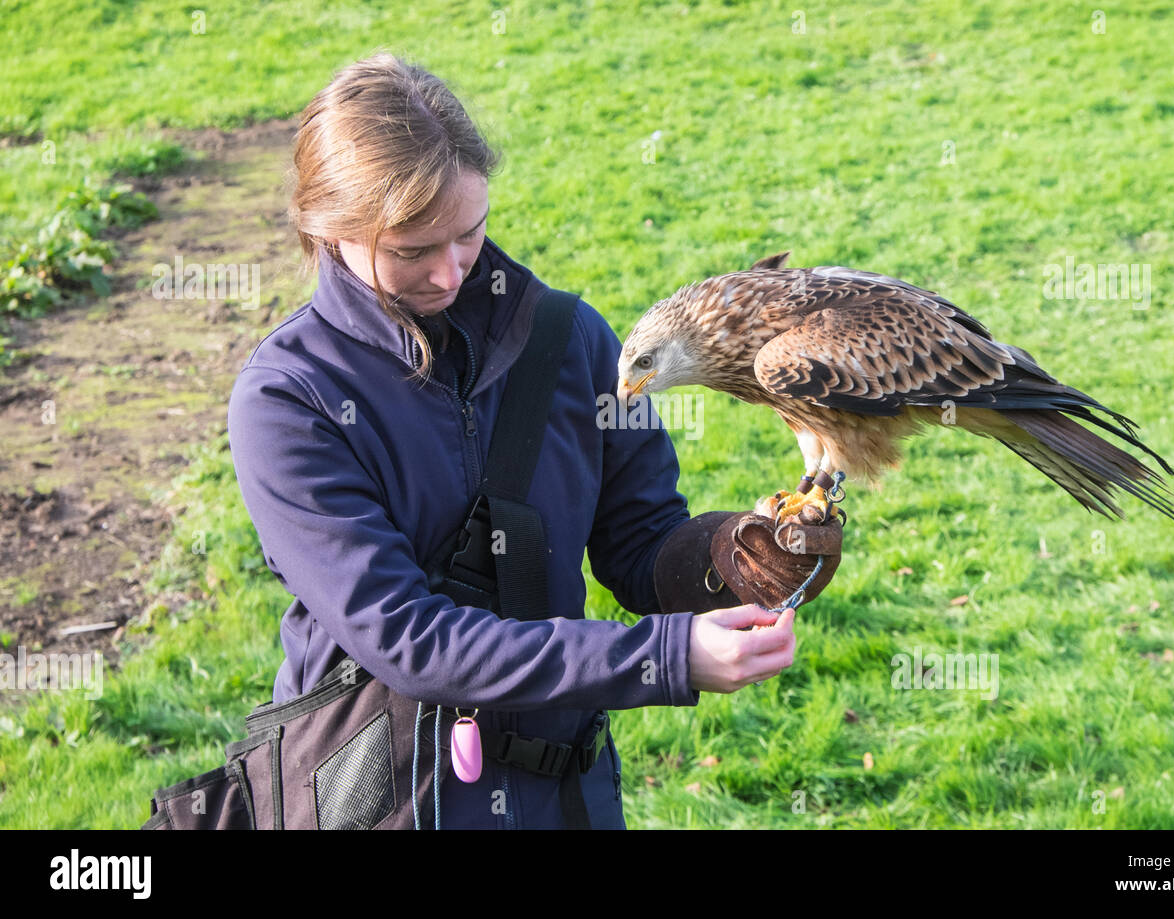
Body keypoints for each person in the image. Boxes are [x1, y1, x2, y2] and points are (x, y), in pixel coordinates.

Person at [226, 52, 842, 830]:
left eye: (469, 233)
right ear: (329, 229)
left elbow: (642, 542)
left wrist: (742, 556)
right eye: (413, 250)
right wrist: (663, 657)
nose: (450, 272)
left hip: (566, 793)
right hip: (383, 794)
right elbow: (410, 638)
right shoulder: (289, 400)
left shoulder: (568, 339)